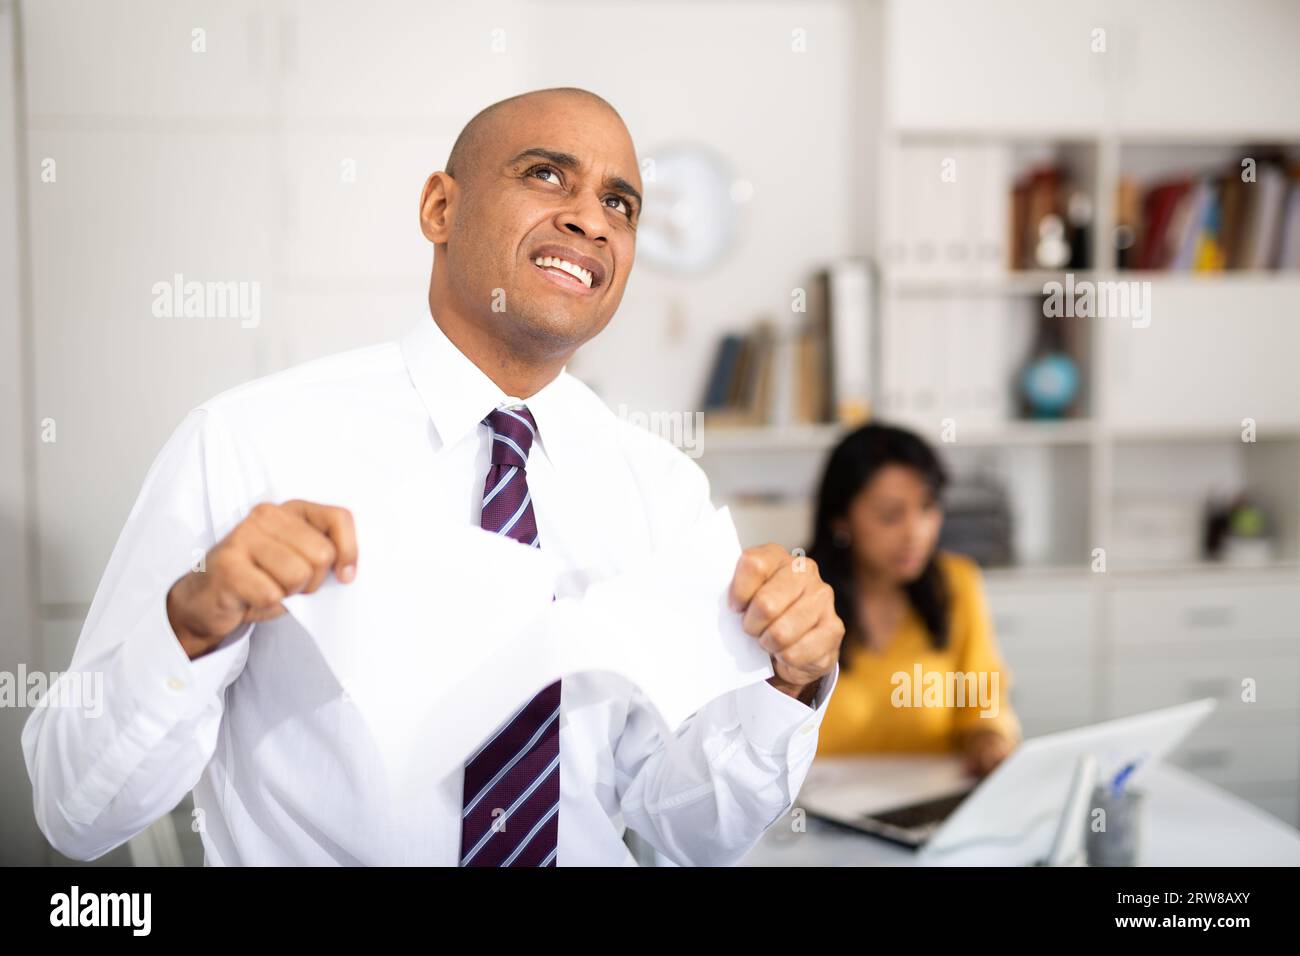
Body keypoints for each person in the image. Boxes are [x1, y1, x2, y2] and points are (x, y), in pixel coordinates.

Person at [22, 87, 844, 866]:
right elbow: (75, 814)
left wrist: (786, 685)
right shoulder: (247, 442)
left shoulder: (664, 491)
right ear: (440, 209)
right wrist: (193, 620)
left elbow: (686, 833)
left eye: (620, 204)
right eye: (547, 173)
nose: (590, 218)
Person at [807, 423, 1019, 777]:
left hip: (929, 806)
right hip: (813, 817)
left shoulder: (957, 582)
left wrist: (988, 737)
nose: (916, 533)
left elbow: (985, 702)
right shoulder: (801, 598)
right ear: (841, 519)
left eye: (927, 508)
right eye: (890, 515)